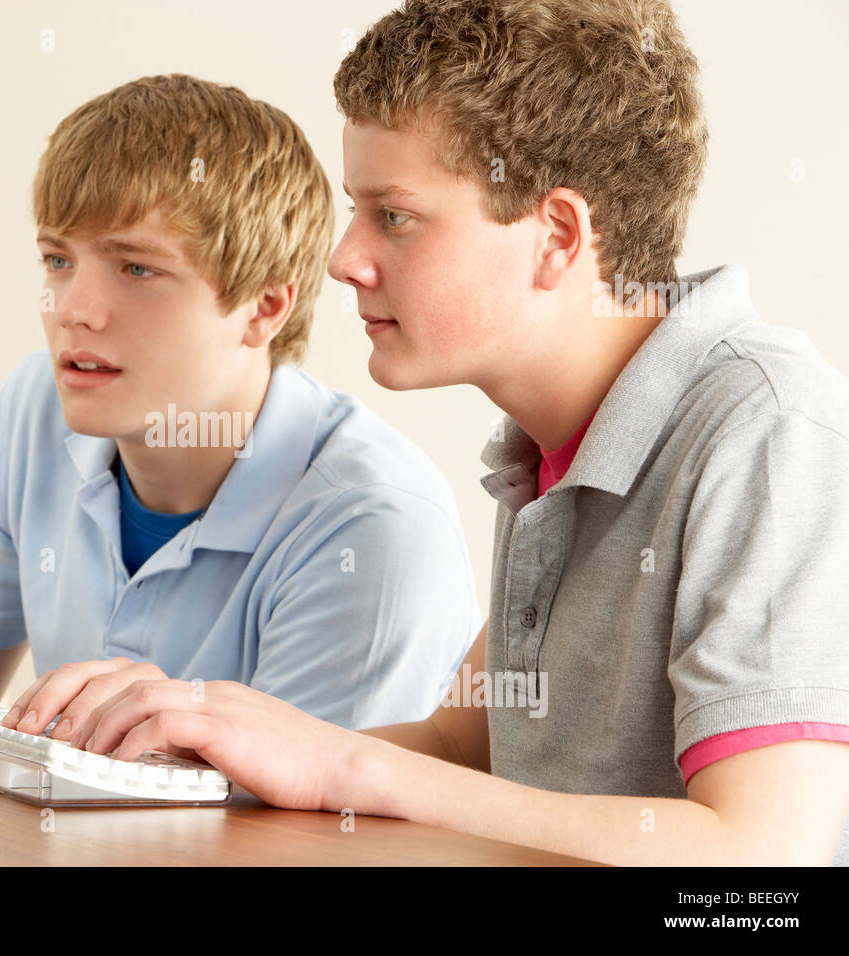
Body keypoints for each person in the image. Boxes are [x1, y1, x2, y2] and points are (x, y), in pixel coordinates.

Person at [63, 0, 849, 865]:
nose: (343, 257)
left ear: (555, 237)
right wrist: (205, 747)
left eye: (392, 215)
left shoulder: (765, 426)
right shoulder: (546, 447)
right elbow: (455, 748)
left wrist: (347, 763)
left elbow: (768, 861)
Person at [0, 73, 480, 734]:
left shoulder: (373, 525)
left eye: (136, 268)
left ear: (264, 308)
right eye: (58, 260)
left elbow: (306, 831)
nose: (74, 310)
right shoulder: (33, 410)